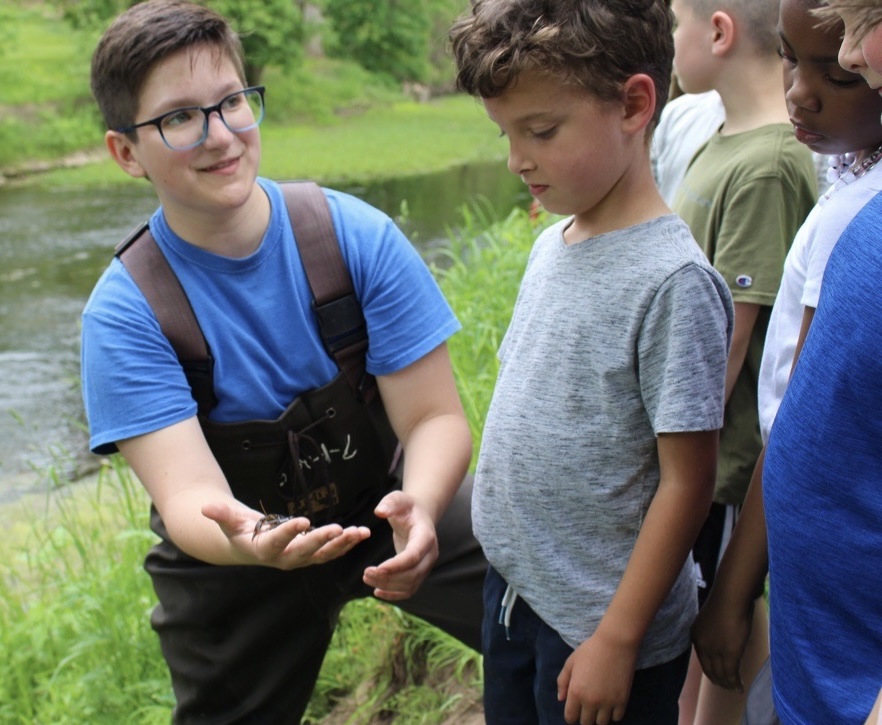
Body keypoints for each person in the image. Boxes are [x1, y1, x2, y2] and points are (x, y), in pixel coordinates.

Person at [80, 1, 486, 722]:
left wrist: (419, 506)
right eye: (180, 118)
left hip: (386, 501)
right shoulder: (126, 314)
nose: (221, 135)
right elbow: (187, 499)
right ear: (125, 152)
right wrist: (257, 540)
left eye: (232, 102)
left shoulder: (354, 237)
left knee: (536, 601)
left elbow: (433, 417)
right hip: (236, 551)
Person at [449, 2, 734, 724]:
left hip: (602, 630)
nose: (517, 158)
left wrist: (618, 636)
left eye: (541, 131)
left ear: (635, 103)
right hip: (517, 592)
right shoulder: (556, 242)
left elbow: (688, 481)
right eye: (506, 133)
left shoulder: (674, 283)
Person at [692, 1, 882, 722]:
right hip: (815, 626)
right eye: (790, 59)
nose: (799, 91)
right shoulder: (842, 185)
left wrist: (735, 586)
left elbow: (803, 413)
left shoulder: (856, 219)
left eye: (834, 72)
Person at [668, 1, 819, 723]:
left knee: (728, 622)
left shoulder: (768, 164)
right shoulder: (720, 141)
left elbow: (727, 340)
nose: (670, 41)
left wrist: (660, 449)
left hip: (722, 462)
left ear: (719, 32)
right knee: (700, 631)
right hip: (692, 452)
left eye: (675, 24)